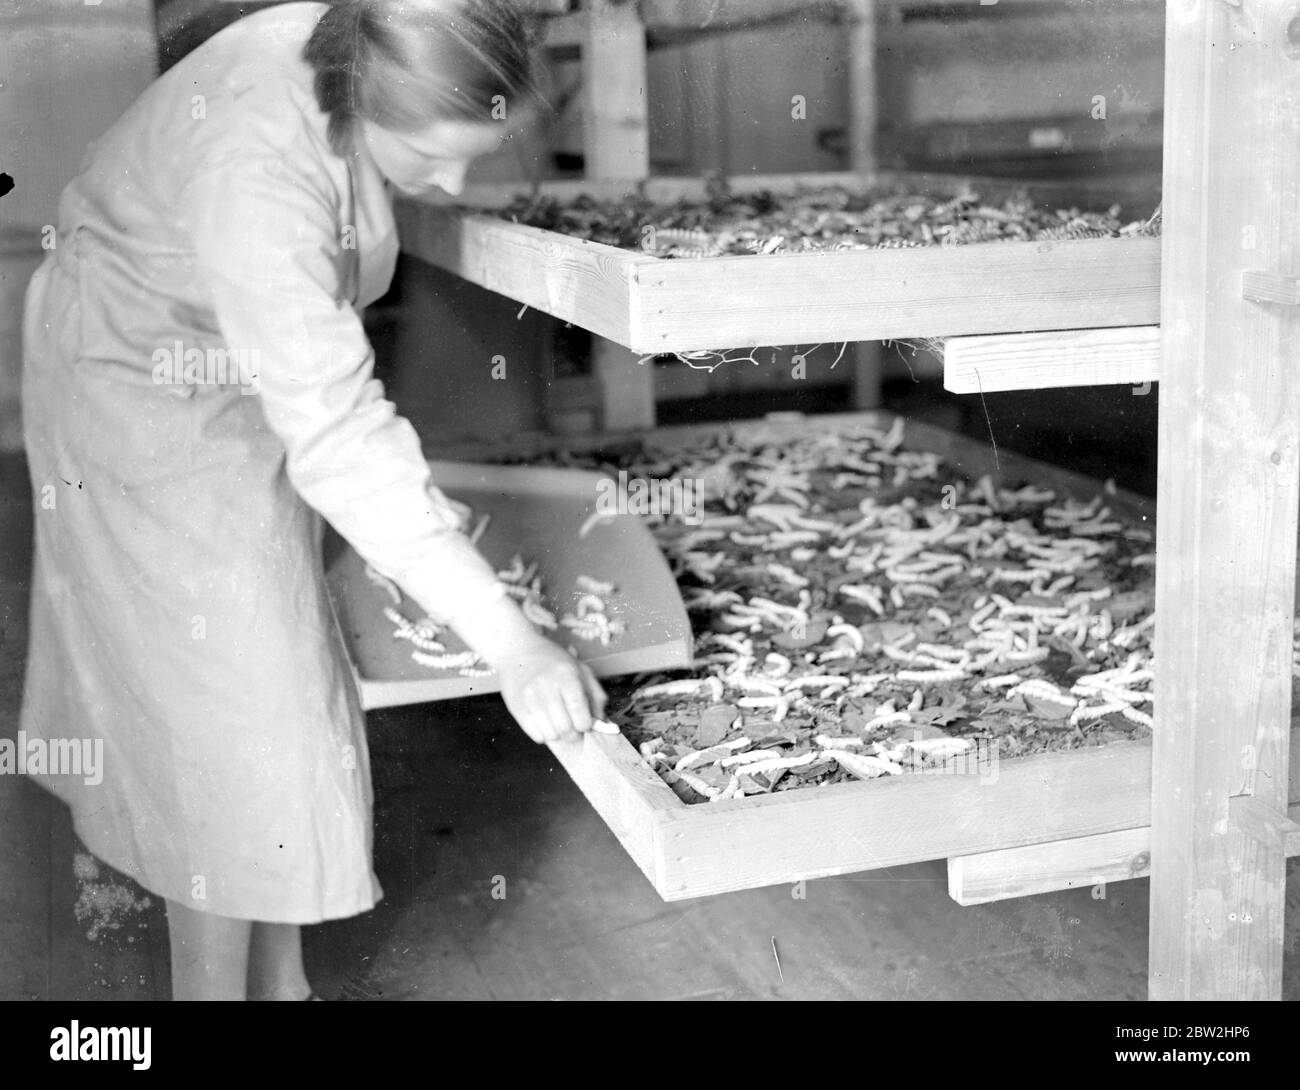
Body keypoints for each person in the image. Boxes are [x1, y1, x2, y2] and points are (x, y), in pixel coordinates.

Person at [20, 0, 604, 1001]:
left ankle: (281, 980)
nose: (454, 185)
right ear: (363, 101)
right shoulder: (258, 172)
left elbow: (315, 377)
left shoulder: (362, 33)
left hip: (235, 355)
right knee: (225, 707)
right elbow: (339, 437)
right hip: (138, 382)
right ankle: (211, 996)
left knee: (278, 671)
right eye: (433, 154)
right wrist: (510, 640)